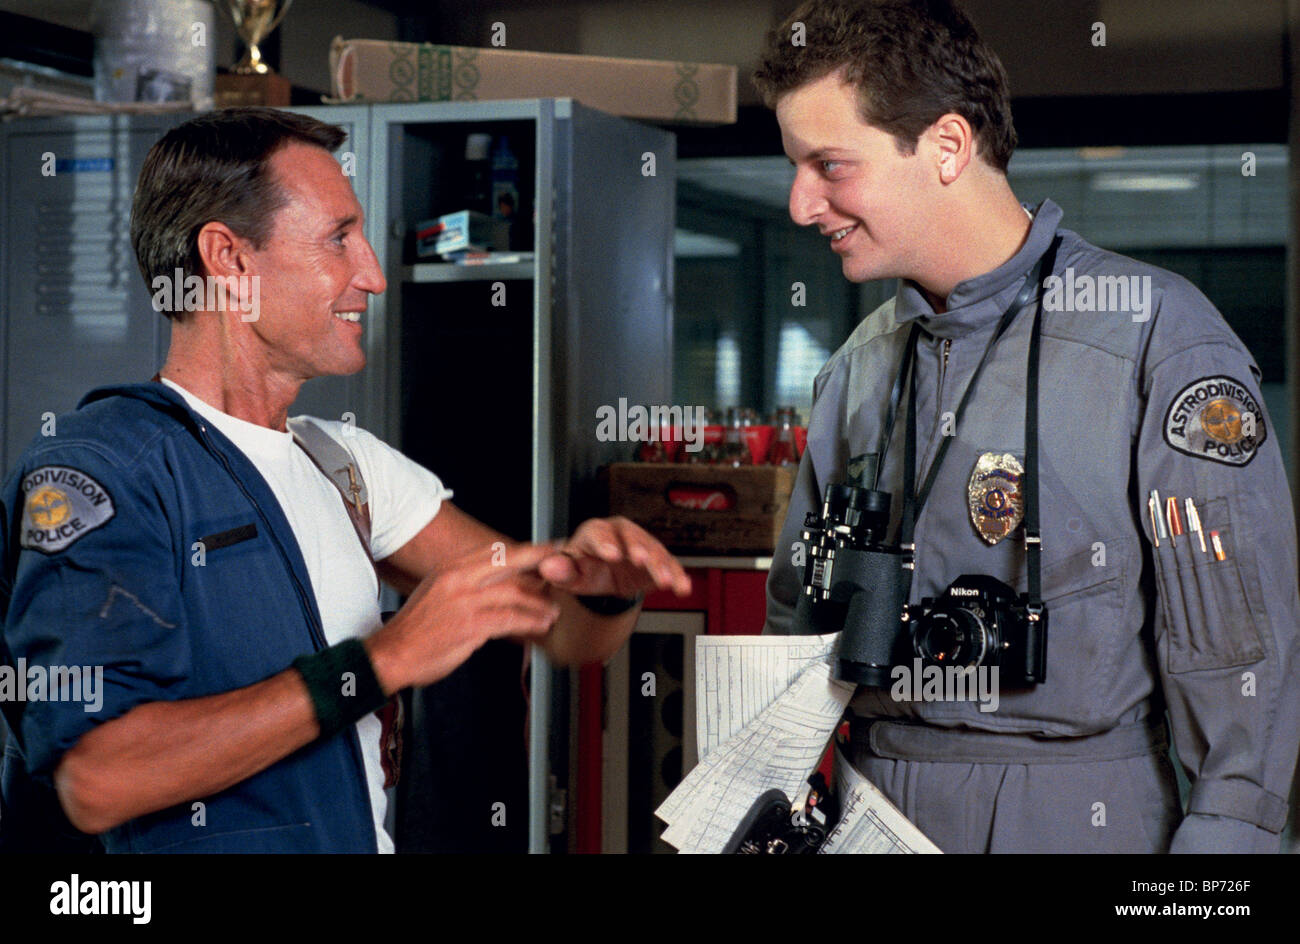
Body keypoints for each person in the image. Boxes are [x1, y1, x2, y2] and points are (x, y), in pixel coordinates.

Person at [0, 107, 691, 854]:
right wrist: (383, 662)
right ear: (228, 260)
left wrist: (602, 583)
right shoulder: (100, 473)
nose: (372, 273)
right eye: (338, 239)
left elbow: (563, 630)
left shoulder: (346, 465)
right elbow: (97, 778)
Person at [755, 0, 1300, 853]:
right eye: (795, 166)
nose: (799, 203)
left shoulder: (1157, 339)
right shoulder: (857, 369)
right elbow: (793, 624)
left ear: (946, 146)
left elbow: (1237, 661)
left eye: (829, 165)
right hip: (867, 809)